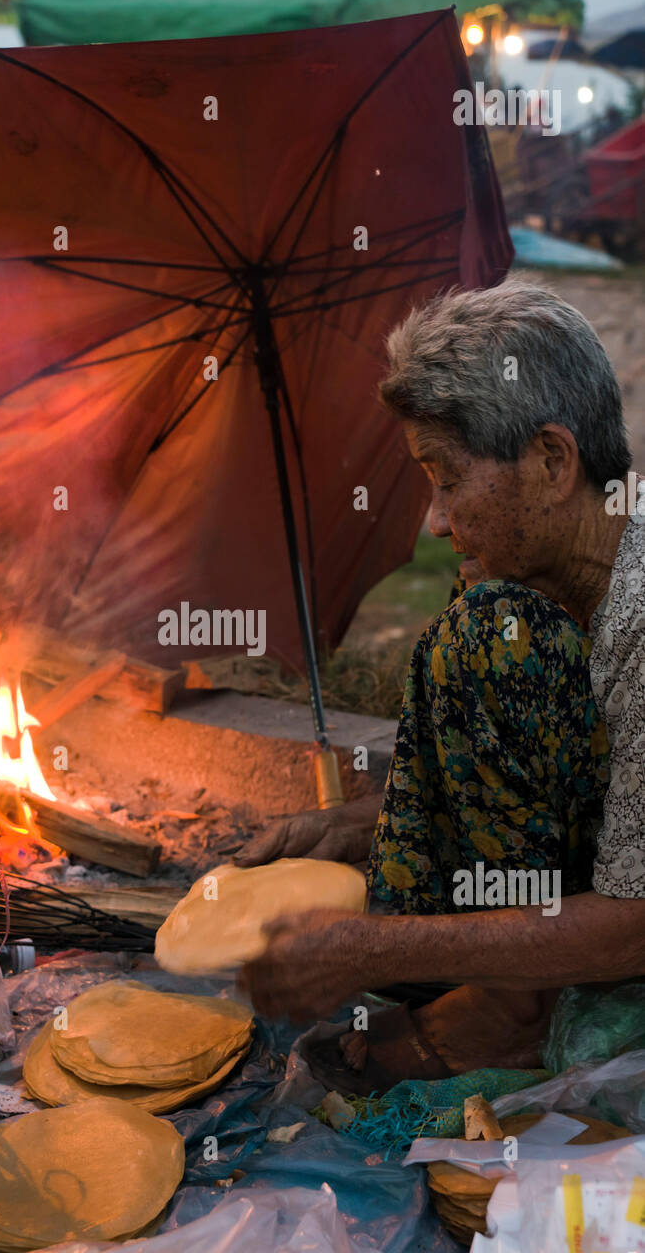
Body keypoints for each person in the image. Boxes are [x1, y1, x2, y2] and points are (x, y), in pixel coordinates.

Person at [237, 281, 645, 1080]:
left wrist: (367, 949)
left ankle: (511, 1014)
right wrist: (361, 826)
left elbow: (635, 921)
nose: (433, 518)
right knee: (481, 626)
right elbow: (533, 788)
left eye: (446, 477)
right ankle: (503, 989)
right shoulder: (517, 593)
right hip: (603, 864)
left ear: (552, 461)